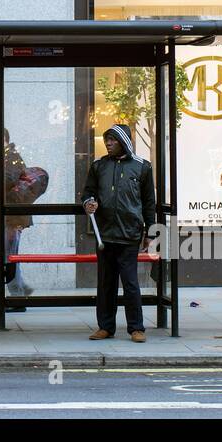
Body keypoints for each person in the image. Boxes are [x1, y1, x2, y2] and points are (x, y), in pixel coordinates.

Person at [81, 123, 156, 342]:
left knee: (130, 283)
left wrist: (149, 232)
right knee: (106, 284)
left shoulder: (143, 167)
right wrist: (89, 202)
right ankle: (105, 327)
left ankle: (136, 328)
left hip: (130, 234)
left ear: (124, 141)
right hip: (104, 234)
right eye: (107, 140)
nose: (108, 143)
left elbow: (149, 203)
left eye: (113, 140)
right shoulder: (98, 166)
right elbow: (87, 193)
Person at [3, 130, 48, 308]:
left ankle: (18, 299)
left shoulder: (11, 157)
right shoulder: (8, 157)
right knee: (10, 255)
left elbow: (8, 179)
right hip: (12, 216)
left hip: (13, 217)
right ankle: (21, 290)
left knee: (9, 257)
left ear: (3, 139)